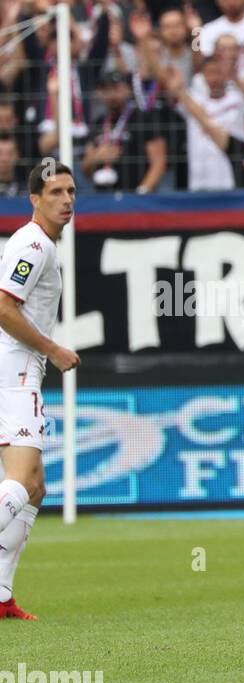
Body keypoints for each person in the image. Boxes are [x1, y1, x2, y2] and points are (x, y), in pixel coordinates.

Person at [0, 162, 83, 620]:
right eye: (55, 192)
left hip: (16, 369)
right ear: (34, 198)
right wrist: (52, 349)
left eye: (71, 191)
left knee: (34, 488)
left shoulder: (42, 245)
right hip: (15, 370)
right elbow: (4, 307)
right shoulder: (33, 243)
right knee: (19, 479)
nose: (67, 200)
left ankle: (2, 595)